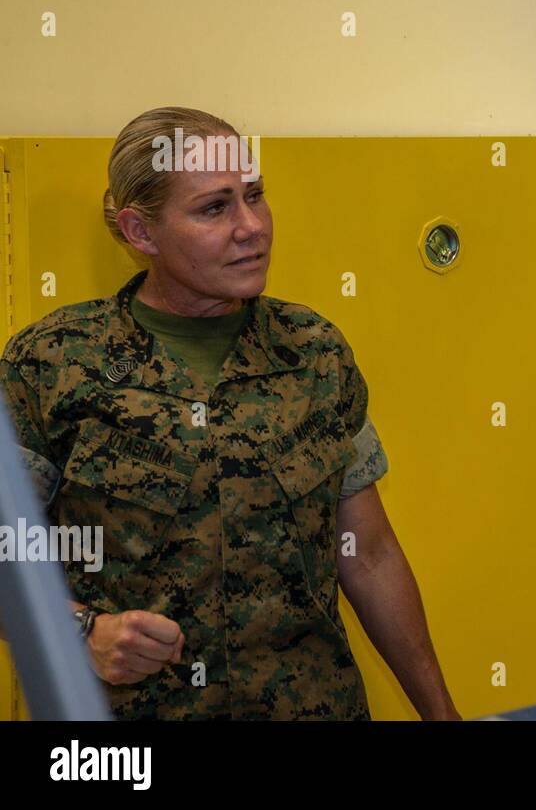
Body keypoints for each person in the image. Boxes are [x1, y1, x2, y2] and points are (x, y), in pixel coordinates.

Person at [0, 107, 460, 719]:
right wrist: (81, 631)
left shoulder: (313, 353)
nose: (253, 227)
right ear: (141, 233)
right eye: (215, 208)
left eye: (255, 196)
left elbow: (369, 554)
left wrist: (441, 713)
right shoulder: (55, 361)